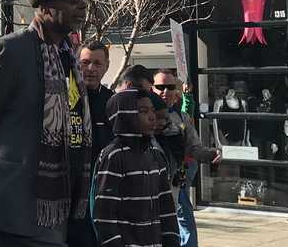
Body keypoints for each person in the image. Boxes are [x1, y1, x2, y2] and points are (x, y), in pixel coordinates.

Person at [0, 0, 94, 247]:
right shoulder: (11, 51)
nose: (81, 5)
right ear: (45, 6)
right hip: (12, 209)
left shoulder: (67, 58)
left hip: (57, 208)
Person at [92, 89, 178, 247]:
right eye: (143, 112)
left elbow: (167, 207)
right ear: (125, 115)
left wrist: (172, 240)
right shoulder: (114, 156)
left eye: (152, 110)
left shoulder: (155, 155)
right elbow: (104, 213)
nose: (152, 117)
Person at [153, 70, 220, 247]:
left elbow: (194, 147)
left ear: (176, 91)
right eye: (160, 87)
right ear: (152, 88)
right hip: (145, 188)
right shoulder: (140, 115)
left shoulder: (181, 118)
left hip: (173, 185)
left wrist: (211, 154)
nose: (165, 91)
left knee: (174, 226)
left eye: (170, 87)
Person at [67, 41, 114, 247]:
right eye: (85, 62)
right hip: (65, 195)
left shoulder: (112, 103)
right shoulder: (61, 99)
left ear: (106, 66)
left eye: (97, 63)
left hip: (102, 195)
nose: (91, 69)